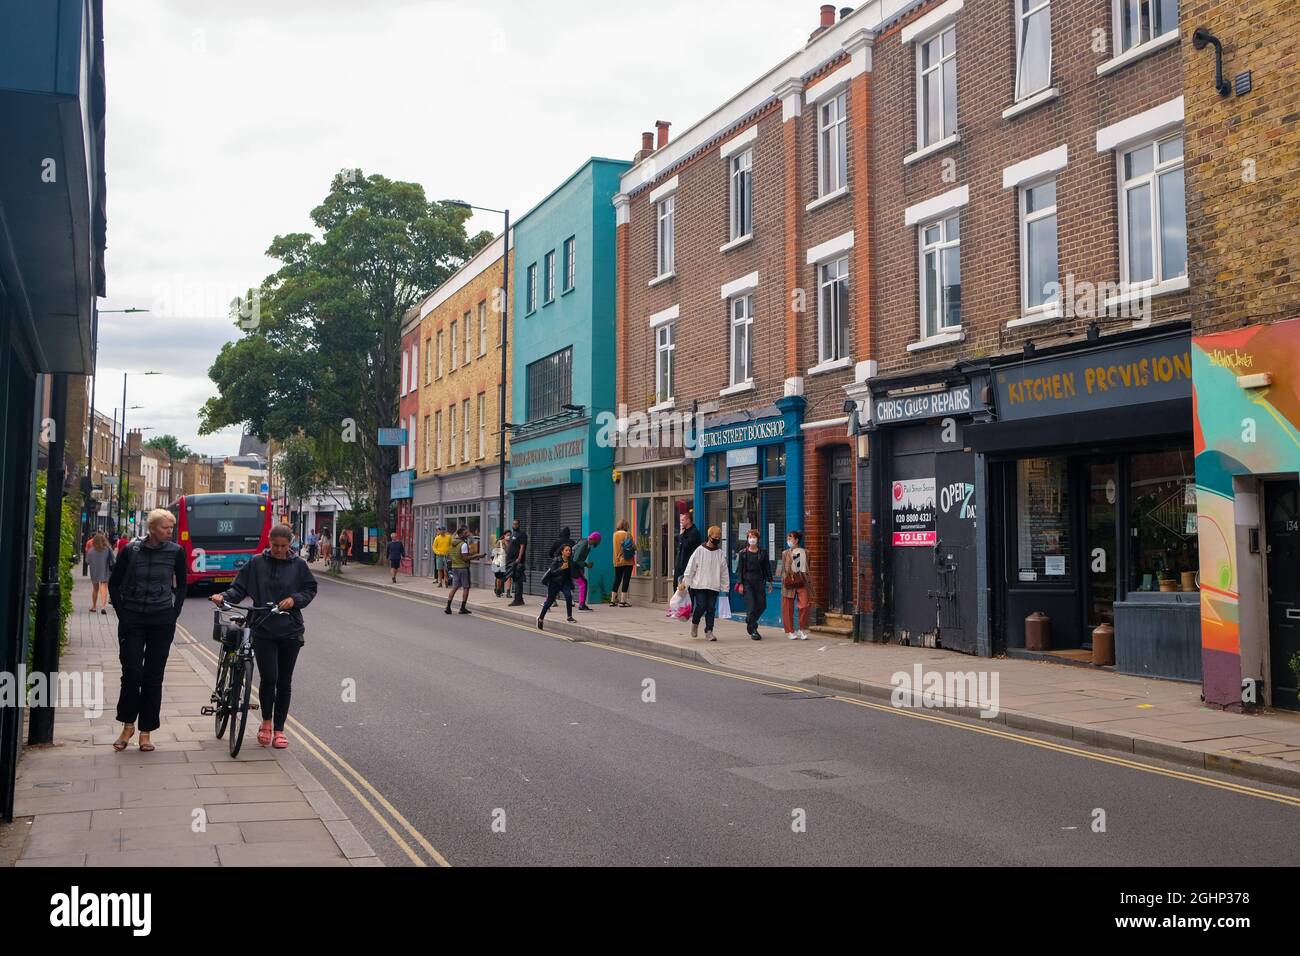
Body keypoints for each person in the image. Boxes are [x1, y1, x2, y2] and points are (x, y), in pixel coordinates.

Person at [211, 524, 317, 749]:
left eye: (283, 546)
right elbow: (239, 589)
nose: (279, 550)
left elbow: (310, 589)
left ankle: (279, 729)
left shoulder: (299, 565)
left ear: (290, 545)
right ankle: (266, 724)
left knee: (284, 681)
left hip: (290, 629)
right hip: (263, 628)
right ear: (269, 542)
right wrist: (224, 596)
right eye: (275, 545)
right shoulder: (257, 563)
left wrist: (295, 599)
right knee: (269, 678)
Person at [107, 509, 188, 752]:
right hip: (133, 618)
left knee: (153, 677)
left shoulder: (176, 552)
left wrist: (174, 612)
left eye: (171, 528)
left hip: (162, 620)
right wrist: (123, 612)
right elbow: (114, 583)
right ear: (152, 528)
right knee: (132, 674)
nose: (170, 531)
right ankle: (127, 725)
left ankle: (146, 732)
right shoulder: (131, 550)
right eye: (165, 527)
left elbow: (182, 584)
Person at [681, 525, 727, 641]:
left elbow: (724, 571)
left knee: (711, 609)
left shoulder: (720, 553)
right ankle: (695, 623)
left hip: (714, 585)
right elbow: (691, 568)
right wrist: (685, 583)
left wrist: (725, 587)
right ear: (709, 536)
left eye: (719, 537)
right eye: (715, 536)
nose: (717, 539)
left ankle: (709, 631)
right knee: (701, 606)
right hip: (699, 585)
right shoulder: (699, 551)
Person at [735, 530, 773, 640]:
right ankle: (753, 629)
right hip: (747, 582)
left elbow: (767, 567)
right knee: (751, 606)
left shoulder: (763, 552)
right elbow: (739, 570)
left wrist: (770, 582)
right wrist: (740, 584)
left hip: (759, 581)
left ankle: (749, 620)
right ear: (747, 539)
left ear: (758, 539)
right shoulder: (743, 553)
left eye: (754, 537)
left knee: (762, 605)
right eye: (750, 537)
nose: (752, 539)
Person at [536, 543, 577, 630]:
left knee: (568, 596)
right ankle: (540, 618)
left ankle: (569, 616)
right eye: (566, 550)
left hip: (565, 583)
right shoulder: (557, 560)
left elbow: (570, 575)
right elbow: (552, 572)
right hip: (554, 583)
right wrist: (561, 568)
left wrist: (572, 586)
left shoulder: (570, 561)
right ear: (562, 552)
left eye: (569, 550)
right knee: (549, 602)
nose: (568, 552)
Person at [780, 529, 811, 640]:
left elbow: (807, 567)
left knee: (804, 605)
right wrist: (784, 579)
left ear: (797, 540)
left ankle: (802, 629)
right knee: (787, 607)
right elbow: (782, 568)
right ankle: (790, 631)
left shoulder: (806, 552)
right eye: (787, 538)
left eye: (790, 538)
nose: (788, 540)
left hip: (801, 582)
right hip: (789, 582)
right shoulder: (785, 553)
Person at [445, 526, 482, 615]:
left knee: (454, 587)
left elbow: (450, 556)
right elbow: (465, 558)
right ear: (461, 534)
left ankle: (448, 607)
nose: (467, 534)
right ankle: (462, 607)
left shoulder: (453, 543)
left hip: (455, 567)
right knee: (466, 587)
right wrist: (477, 555)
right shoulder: (463, 544)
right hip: (463, 568)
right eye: (465, 533)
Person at [571, 531, 600, 611]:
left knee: (560, 583)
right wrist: (586, 565)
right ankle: (581, 605)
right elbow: (576, 559)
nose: (598, 543)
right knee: (583, 583)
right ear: (594, 539)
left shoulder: (586, 544)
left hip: (572, 565)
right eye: (598, 541)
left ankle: (547, 602)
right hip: (572, 565)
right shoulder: (584, 544)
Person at [87, 531, 114, 615]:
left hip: (94, 571)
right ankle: (103, 606)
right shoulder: (107, 549)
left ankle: (94, 607)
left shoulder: (91, 551)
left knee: (95, 589)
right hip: (104, 570)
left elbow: (87, 561)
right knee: (104, 588)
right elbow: (113, 559)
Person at [673, 512, 702, 591]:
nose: (681, 522)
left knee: (685, 591)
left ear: (688, 520)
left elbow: (686, 545)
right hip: (679, 565)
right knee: (676, 588)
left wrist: (681, 535)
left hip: (687, 566)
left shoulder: (694, 532)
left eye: (683, 520)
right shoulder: (684, 531)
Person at [610, 519, 634, 607]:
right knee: (626, 579)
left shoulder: (615, 535)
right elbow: (633, 546)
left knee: (617, 579)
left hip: (617, 560)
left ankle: (612, 600)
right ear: (626, 526)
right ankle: (623, 601)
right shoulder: (628, 535)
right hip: (628, 560)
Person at [505, 518, 527, 605]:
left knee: (518, 580)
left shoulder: (522, 534)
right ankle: (520, 599)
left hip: (517, 561)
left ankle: (518, 600)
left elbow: (522, 547)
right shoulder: (513, 534)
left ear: (519, 525)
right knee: (515, 579)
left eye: (516, 524)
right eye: (513, 524)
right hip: (511, 560)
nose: (514, 525)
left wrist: (519, 558)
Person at [491, 531, 510, 597]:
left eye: (510, 535)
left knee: (508, 576)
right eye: (507, 535)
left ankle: (508, 592)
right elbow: (494, 553)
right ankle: (498, 590)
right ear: (504, 535)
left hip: (507, 562)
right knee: (499, 578)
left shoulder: (510, 543)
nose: (509, 536)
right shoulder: (500, 542)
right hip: (499, 562)